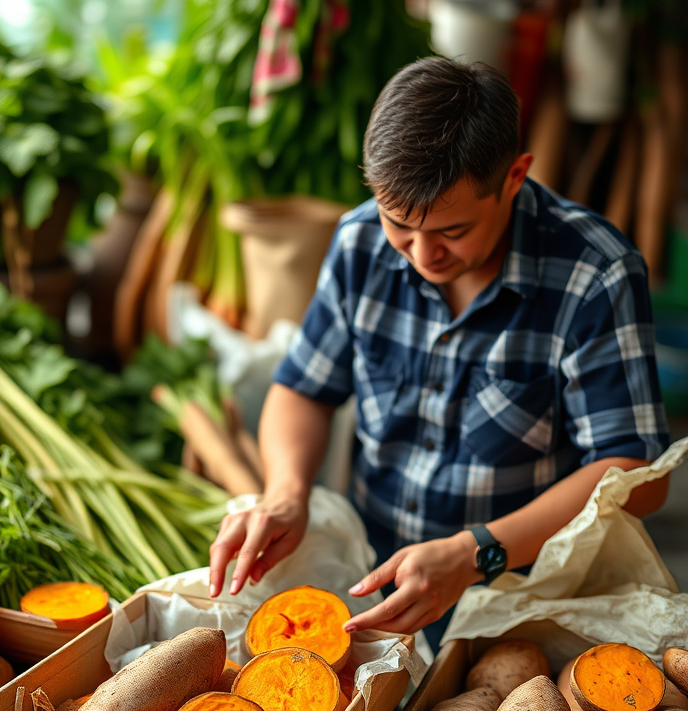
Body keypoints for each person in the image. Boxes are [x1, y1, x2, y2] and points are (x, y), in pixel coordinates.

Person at [208, 56, 671, 649]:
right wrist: (286, 494)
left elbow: (637, 475)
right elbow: (305, 387)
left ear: (514, 176)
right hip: (371, 573)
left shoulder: (594, 272)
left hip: (520, 596)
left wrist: (477, 551)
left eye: (453, 232)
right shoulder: (360, 243)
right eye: (400, 224)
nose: (423, 256)